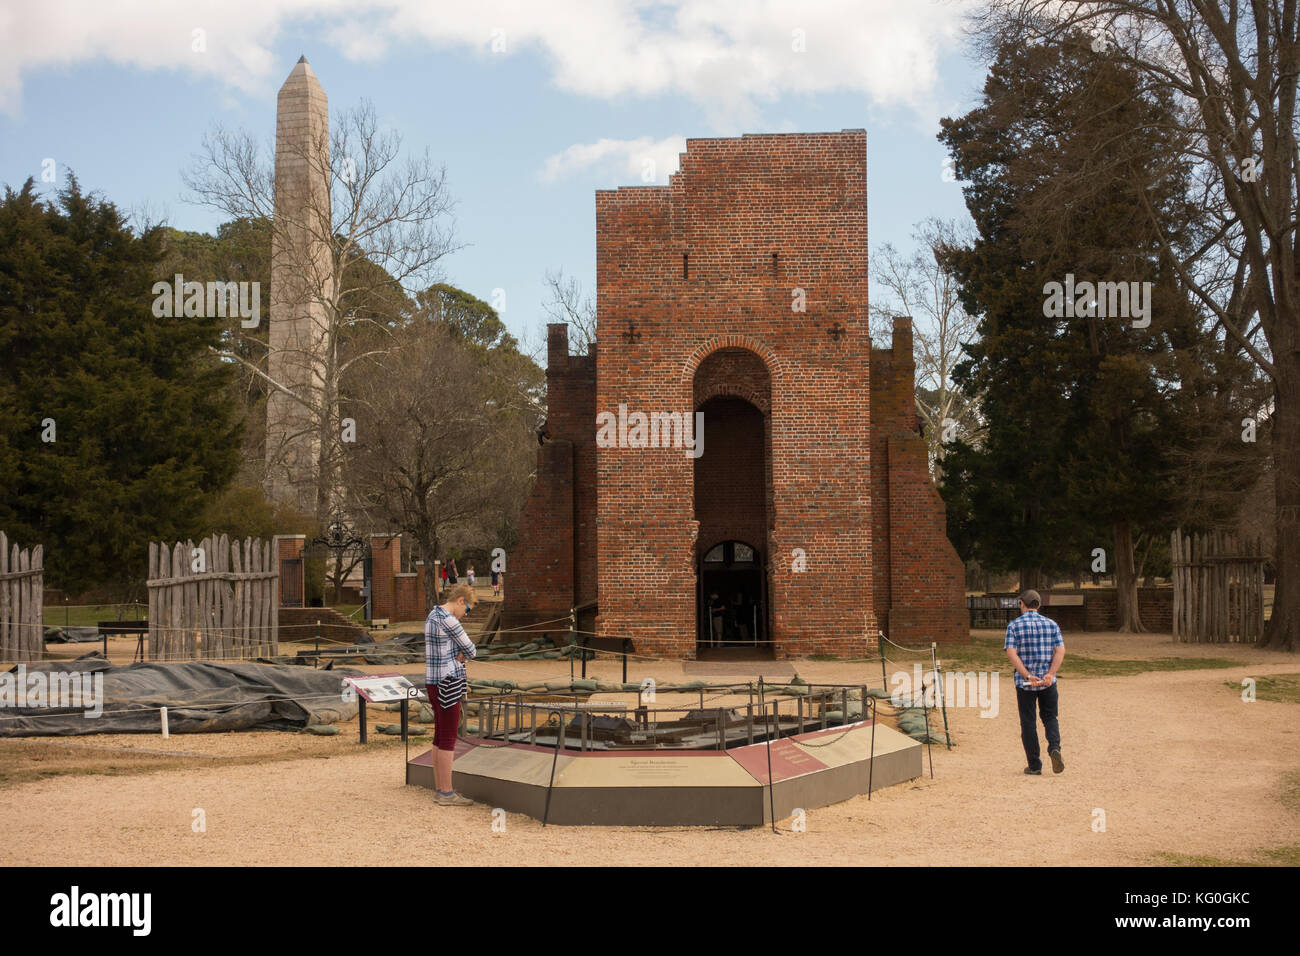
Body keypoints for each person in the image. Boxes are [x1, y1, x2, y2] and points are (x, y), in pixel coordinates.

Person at [424, 583, 478, 806]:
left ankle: (439, 788)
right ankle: (446, 792)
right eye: (467, 609)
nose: (466, 614)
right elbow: (472, 650)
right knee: (448, 737)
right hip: (449, 682)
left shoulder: (432, 616)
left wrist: (458, 653)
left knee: (439, 735)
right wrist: (461, 656)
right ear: (460, 601)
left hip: (433, 681)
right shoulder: (450, 621)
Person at [1004, 589, 1065, 775]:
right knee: (1050, 717)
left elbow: (1011, 653)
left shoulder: (1014, 626)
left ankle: (1034, 765)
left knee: (1028, 722)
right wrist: (1050, 674)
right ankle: (1054, 747)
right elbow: (1060, 651)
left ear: (1022, 604)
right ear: (1038, 604)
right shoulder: (1052, 624)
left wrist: (1027, 675)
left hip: (1026, 684)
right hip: (1047, 681)